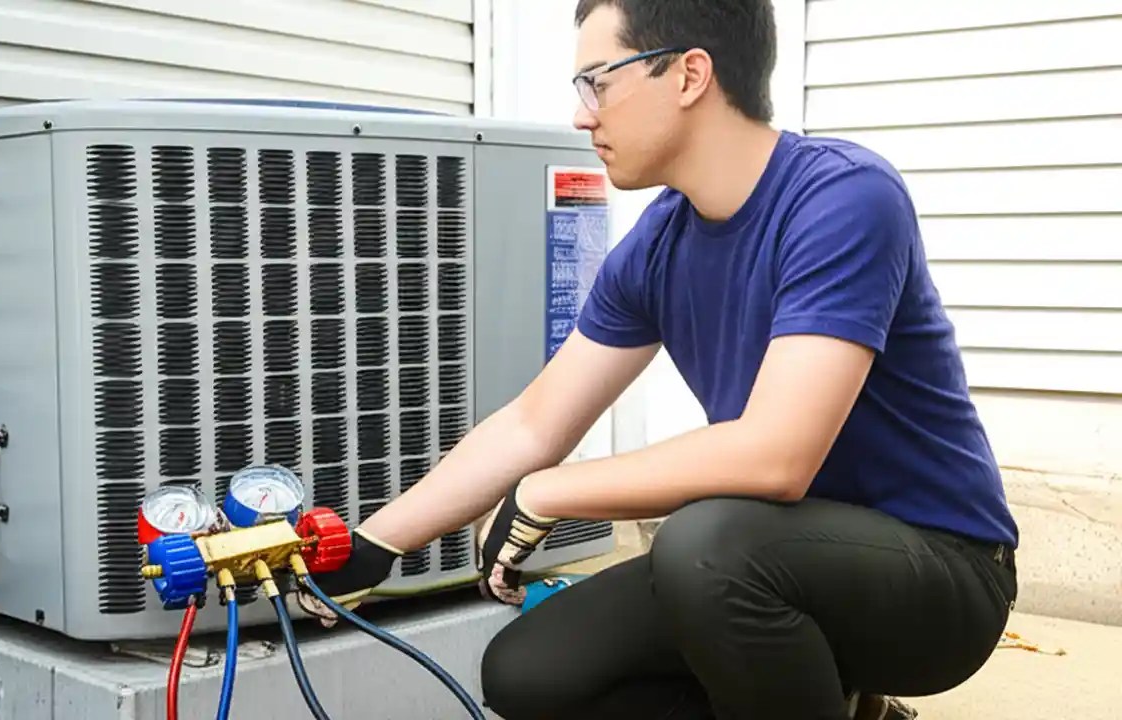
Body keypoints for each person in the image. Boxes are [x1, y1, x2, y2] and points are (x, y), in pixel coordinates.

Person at [297, 1, 1020, 717]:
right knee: (529, 672)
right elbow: (533, 422)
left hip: (940, 573)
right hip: (773, 555)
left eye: (597, 83)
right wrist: (374, 543)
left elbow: (778, 455)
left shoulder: (843, 197)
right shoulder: (658, 244)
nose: (583, 116)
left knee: (704, 547)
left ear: (689, 74)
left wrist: (550, 491)